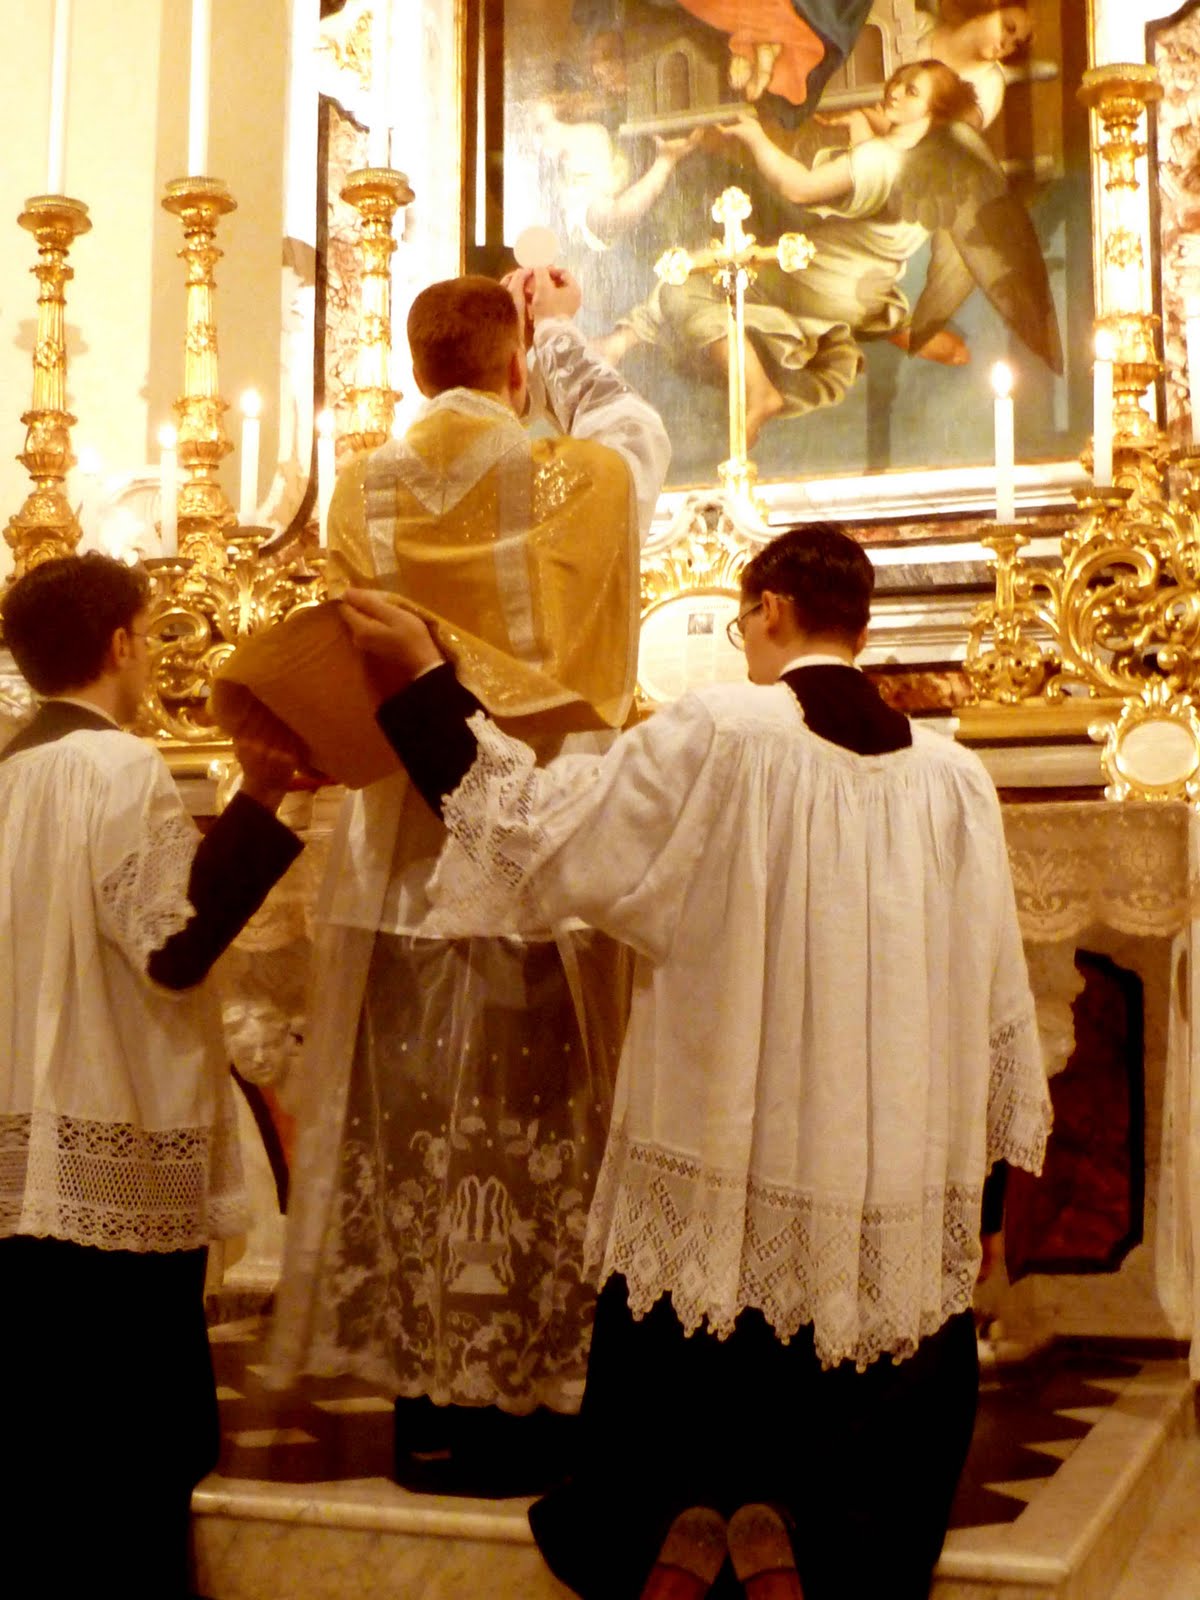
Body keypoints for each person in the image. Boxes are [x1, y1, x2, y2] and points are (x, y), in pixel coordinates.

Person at [334, 521, 1051, 1599]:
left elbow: (534, 833)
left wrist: (421, 681)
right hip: (888, 1181)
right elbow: (995, 1001)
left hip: (730, 1153)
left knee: (679, 1414)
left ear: (767, 610)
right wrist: (983, 1198)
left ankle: (684, 1524)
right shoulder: (955, 779)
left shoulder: (721, 729)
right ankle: (821, 1534)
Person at [267, 268, 670, 1494]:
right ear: (513, 367)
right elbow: (638, 436)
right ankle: (534, 1398)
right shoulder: (576, 474)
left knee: (414, 1134)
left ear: (413, 366)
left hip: (397, 857)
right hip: (535, 847)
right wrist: (568, 345)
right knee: (538, 1122)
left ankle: (420, 1399)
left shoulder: (358, 486)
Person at [0, 553, 305, 1597]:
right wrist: (262, 794)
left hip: (23, 1150)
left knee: (33, 1441)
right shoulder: (118, 767)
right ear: (123, 643)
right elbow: (171, 942)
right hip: (110, 1133)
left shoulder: (6, 773)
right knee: (130, 1446)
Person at [595, 61, 984, 439]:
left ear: (932, 114)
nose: (894, 90)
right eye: (898, 80)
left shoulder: (881, 158)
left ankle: (757, 390)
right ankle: (893, 328)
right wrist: (861, 128)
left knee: (688, 285)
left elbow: (799, 187)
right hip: (862, 282)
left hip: (818, 276)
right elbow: (876, 199)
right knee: (807, 274)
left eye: (911, 90)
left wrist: (754, 135)